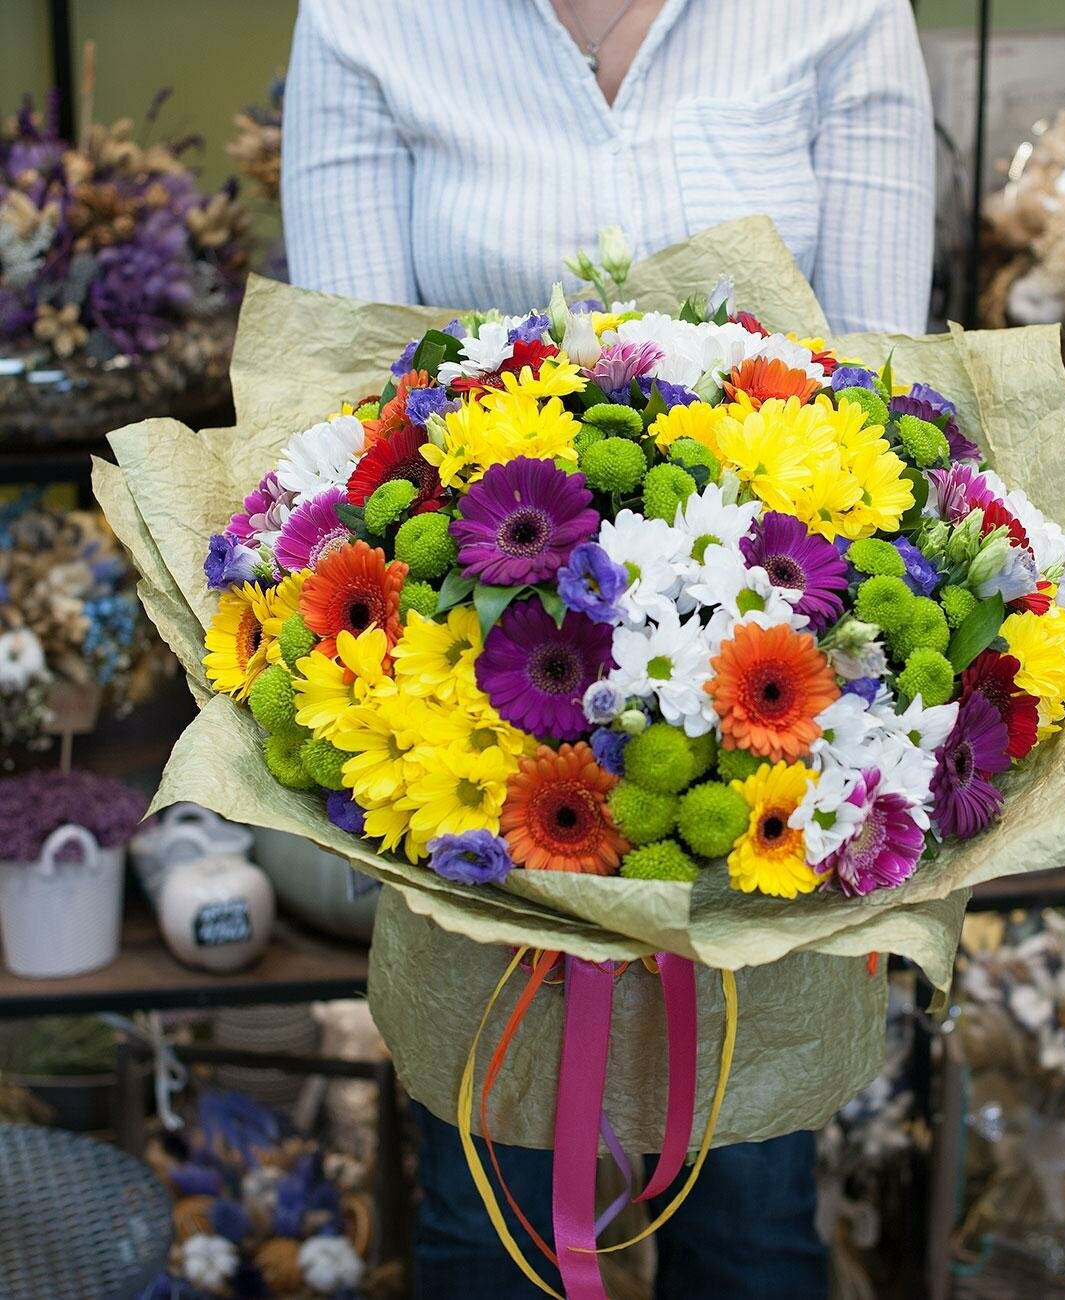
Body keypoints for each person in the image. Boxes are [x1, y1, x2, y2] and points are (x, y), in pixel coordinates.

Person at [282, 2, 934, 1295]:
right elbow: (337, 426)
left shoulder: (843, 13)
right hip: (463, 735)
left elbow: (890, 409)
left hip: (763, 748)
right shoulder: (368, 19)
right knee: (485, 1233)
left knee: (751, 1227)